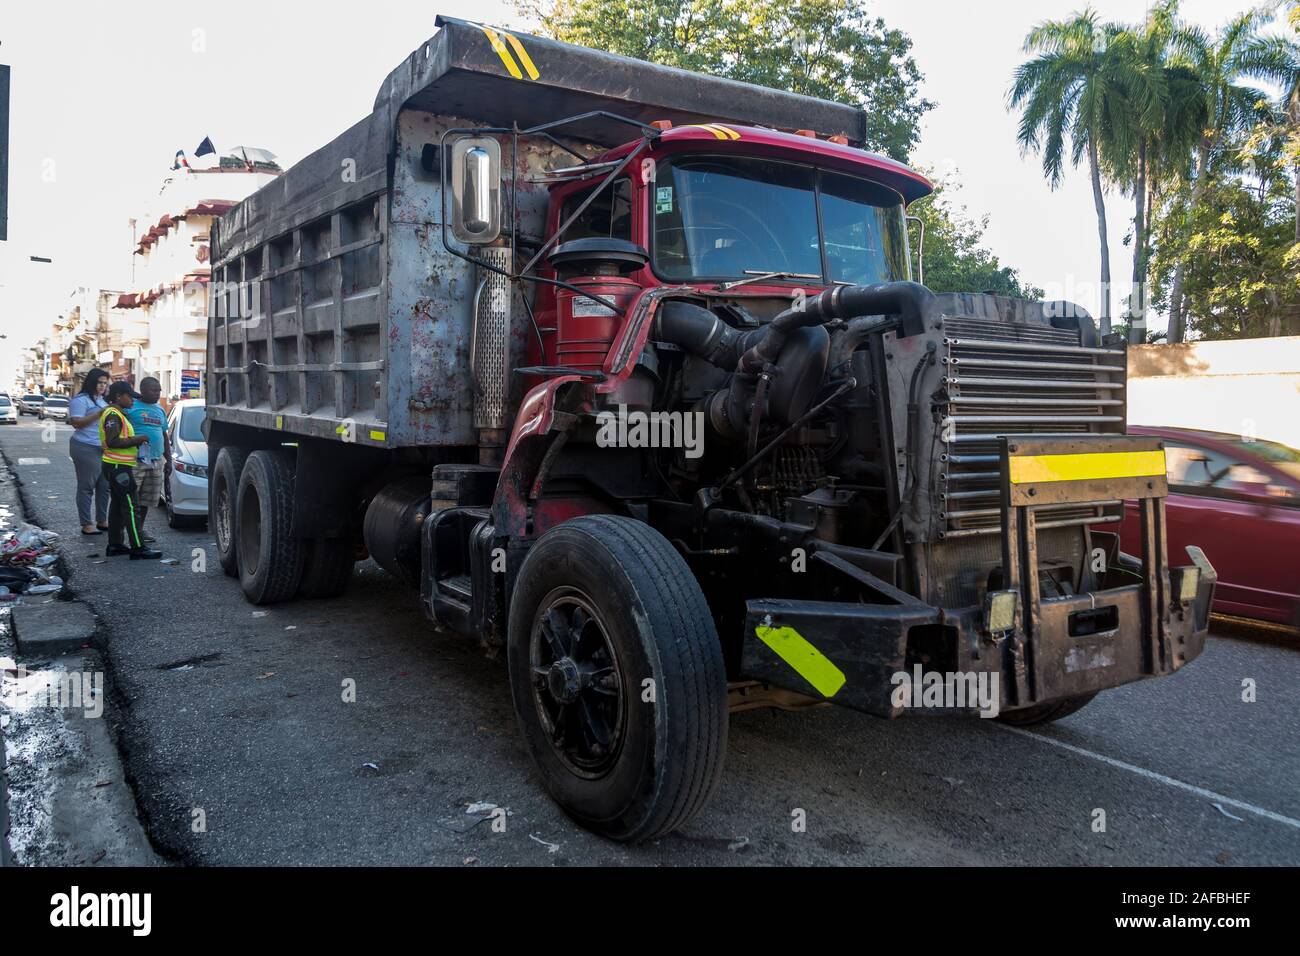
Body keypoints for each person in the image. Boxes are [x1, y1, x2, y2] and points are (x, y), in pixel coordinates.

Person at [99, 381, 162, 560]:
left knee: (118, 507)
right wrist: (138, 439)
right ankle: (138, 547)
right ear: (119, 396)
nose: (133, 401)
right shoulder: (113, 414)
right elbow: (112, 441)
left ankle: (116, 544)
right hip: (118, 467)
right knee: (131, 507)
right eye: (130, 397)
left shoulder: (118, 413)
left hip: (117, 466)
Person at [123, 377, 169, 543]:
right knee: (130, 499)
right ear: (142, 390)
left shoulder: (160, 410)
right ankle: (125, 532)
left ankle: (139, 531)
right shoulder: (130, 407)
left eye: (159, 390)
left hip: (155, 460)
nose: (157, 393)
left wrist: (168, 461)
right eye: (153, 390)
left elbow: (164, 435)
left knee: (146, 500)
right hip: (135, 460)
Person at [67, 369, 111, 535]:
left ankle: (102, 520)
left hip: (102, 447)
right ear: (92, 382)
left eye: (105, 383)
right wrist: (99, 414)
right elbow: (77, 423)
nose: (102, 386)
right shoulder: (81, 400)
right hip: (85, 446)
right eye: (99, 382)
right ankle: (86, 524)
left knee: (104, 486)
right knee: (87, 486)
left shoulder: (102, 401)